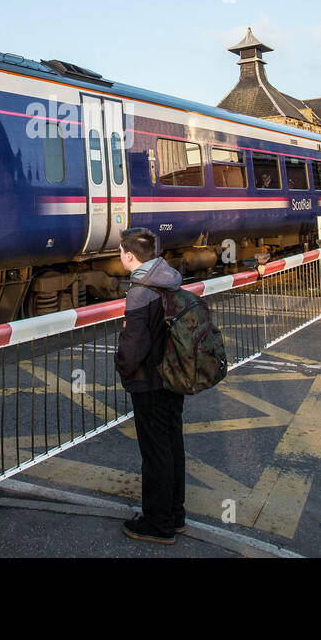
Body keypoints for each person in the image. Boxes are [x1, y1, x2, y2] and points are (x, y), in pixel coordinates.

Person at [114, 227, 186, 544]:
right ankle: (175, 514)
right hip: (174, 376)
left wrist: (123, 369)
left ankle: (158, 523)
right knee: (171, 444)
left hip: (150, 382)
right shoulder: (170, 278)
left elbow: (133, 347)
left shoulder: (140, 292)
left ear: (129, 256)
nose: (119, 256)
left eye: (120, 252)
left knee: (155, 453)